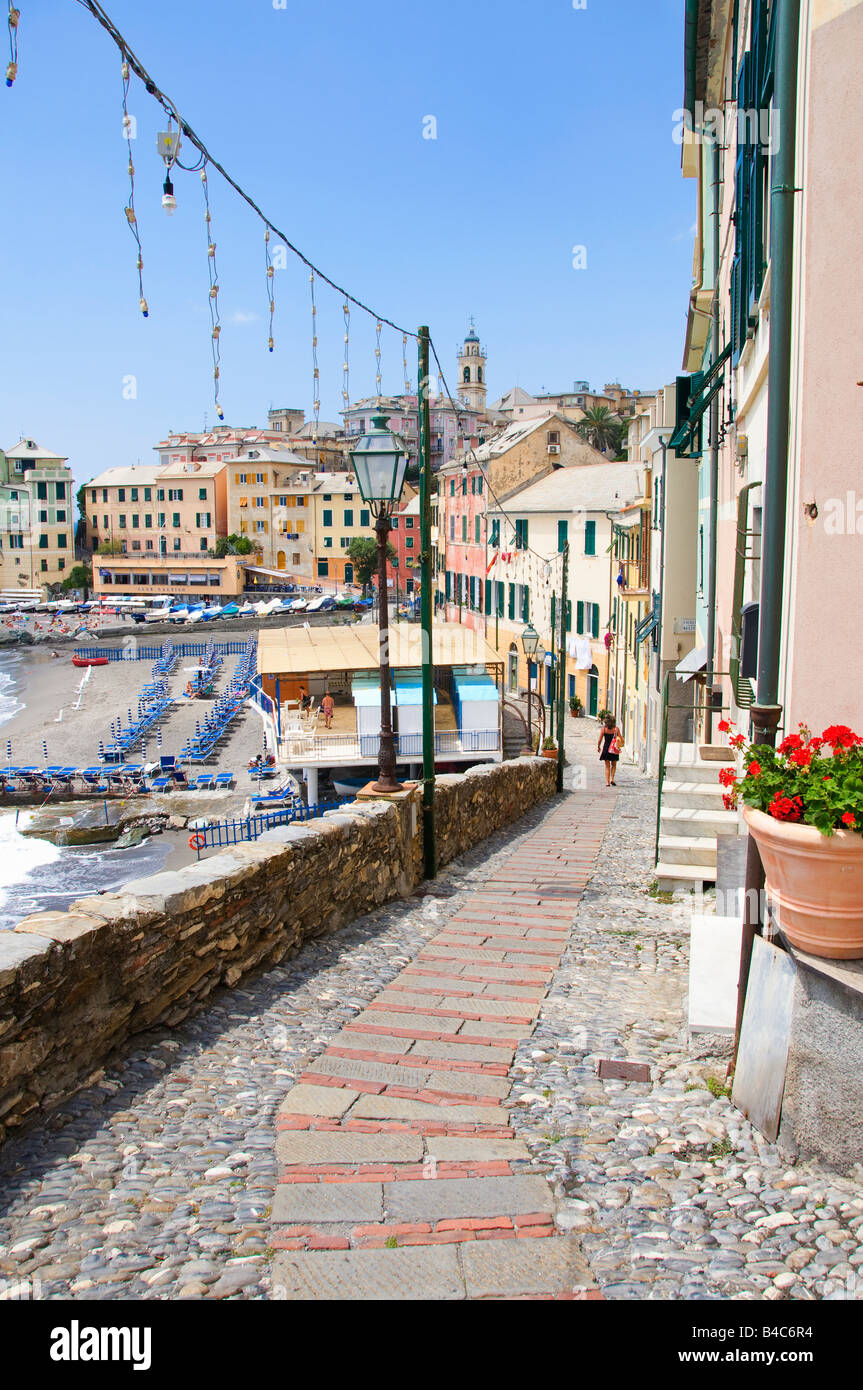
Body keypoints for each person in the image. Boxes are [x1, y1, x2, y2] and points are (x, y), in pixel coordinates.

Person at [598, 713, 623, 787]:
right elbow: (620, 738)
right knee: (614, 765)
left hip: (606, 749)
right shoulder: (616, 729)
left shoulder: (604, 729)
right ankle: (612, 779)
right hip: (614, 749)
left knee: (607, 766)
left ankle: (607, 782)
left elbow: (600, 739)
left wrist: (598, 746)